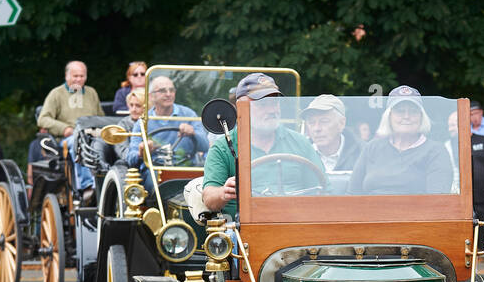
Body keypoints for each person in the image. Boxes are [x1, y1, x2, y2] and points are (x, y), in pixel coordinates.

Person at [202, 72, 325, 215]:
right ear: (241, 107)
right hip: (243, 231)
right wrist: (224, 192)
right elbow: (209, 197)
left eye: (275, 103)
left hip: (296, 224)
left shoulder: (300, 143)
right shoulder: (222, 148)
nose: (272, 110)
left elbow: (323, 190)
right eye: (263, 104)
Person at [347, 86, 453, 196]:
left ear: (421, 117)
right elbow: (352, 194)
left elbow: (438, 201)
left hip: (416, 212)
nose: (406, 116)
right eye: (400, 111)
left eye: (413, 111)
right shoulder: (372, 147)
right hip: (370, 211)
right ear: (389, 116)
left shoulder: (436, 151)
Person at [37, 61, 103, 193]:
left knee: (107, 144)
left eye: (82, 76)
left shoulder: (91, 93)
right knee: (78, 142)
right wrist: (64, 128)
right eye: (75, 76)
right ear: (67, 76)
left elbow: (100, 117)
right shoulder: (56, 94)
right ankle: (86, 186)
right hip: (68, 139)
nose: (79, 79)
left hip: (92, 135)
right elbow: (42, 119)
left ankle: (106, 183)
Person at [124, 74, 208, 172]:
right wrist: (142, 152)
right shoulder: (143, 121)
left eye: (171, 90)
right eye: (162, 91)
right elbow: (130, 159)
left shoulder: (188, 115)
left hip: (186, 169)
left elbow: (205, 146)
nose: (168, 94)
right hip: (155, 172)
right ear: (151, 96)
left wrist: (193, 133)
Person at [446, 110, 484, 224]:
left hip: (482, 201)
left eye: (452, 125)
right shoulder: (448, 145)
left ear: (463, 123)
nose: (450, 129)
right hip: (459, 204)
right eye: (449, 126)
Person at [302, 94, 361, 172]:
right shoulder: (299, 154)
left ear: (341, 123)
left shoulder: (362, 153)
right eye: (311, 122)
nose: (317, 128)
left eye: (324, 121)